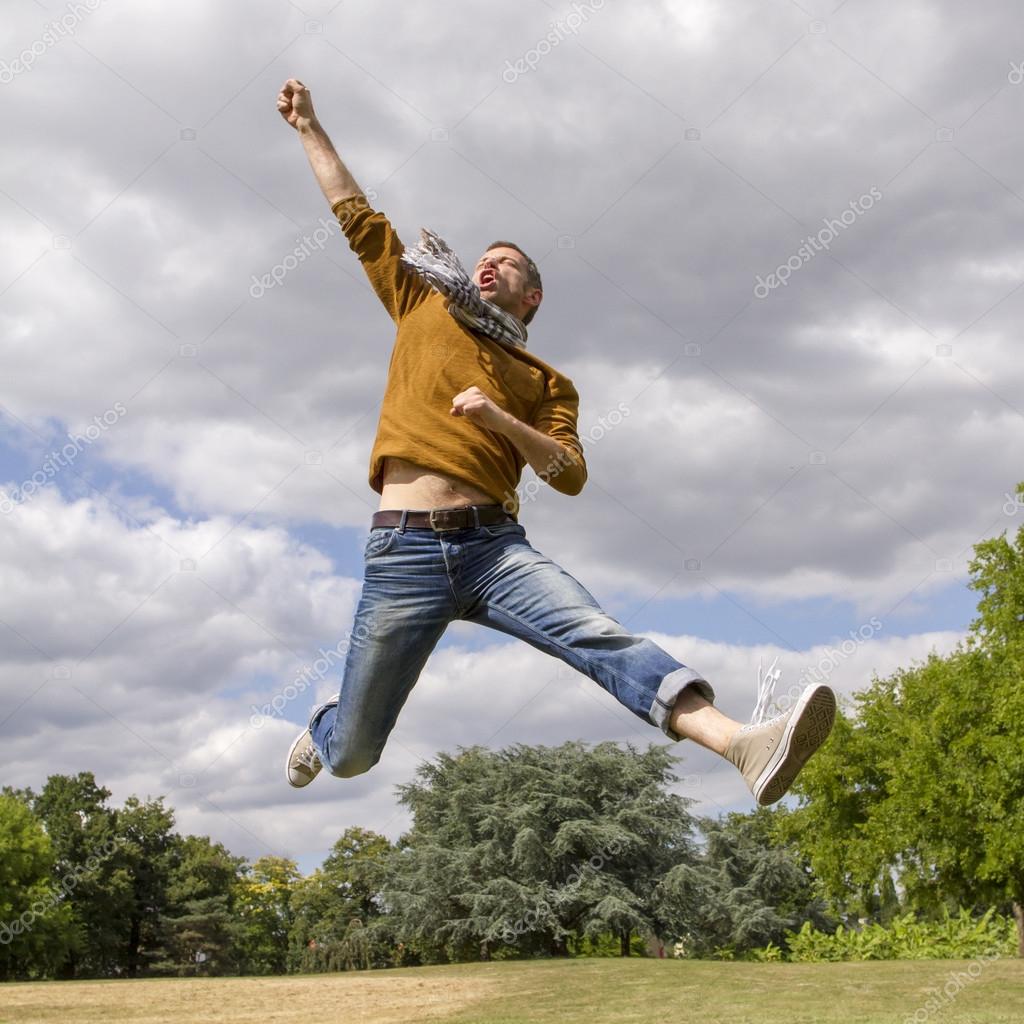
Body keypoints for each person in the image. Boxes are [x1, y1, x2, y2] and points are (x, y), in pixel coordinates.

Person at [275, 78, 836, 806]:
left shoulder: (547, 381)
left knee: (597, 634)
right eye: (484, 257)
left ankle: (741, 744)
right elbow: (356, 215)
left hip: (494, 549)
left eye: (505, 262)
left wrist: (502, 423)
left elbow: (567, 473)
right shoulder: (422, 304)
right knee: (352, 755)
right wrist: (310, 128)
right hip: (404, 549)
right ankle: (326, 725)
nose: (488, 263)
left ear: (530, 294)